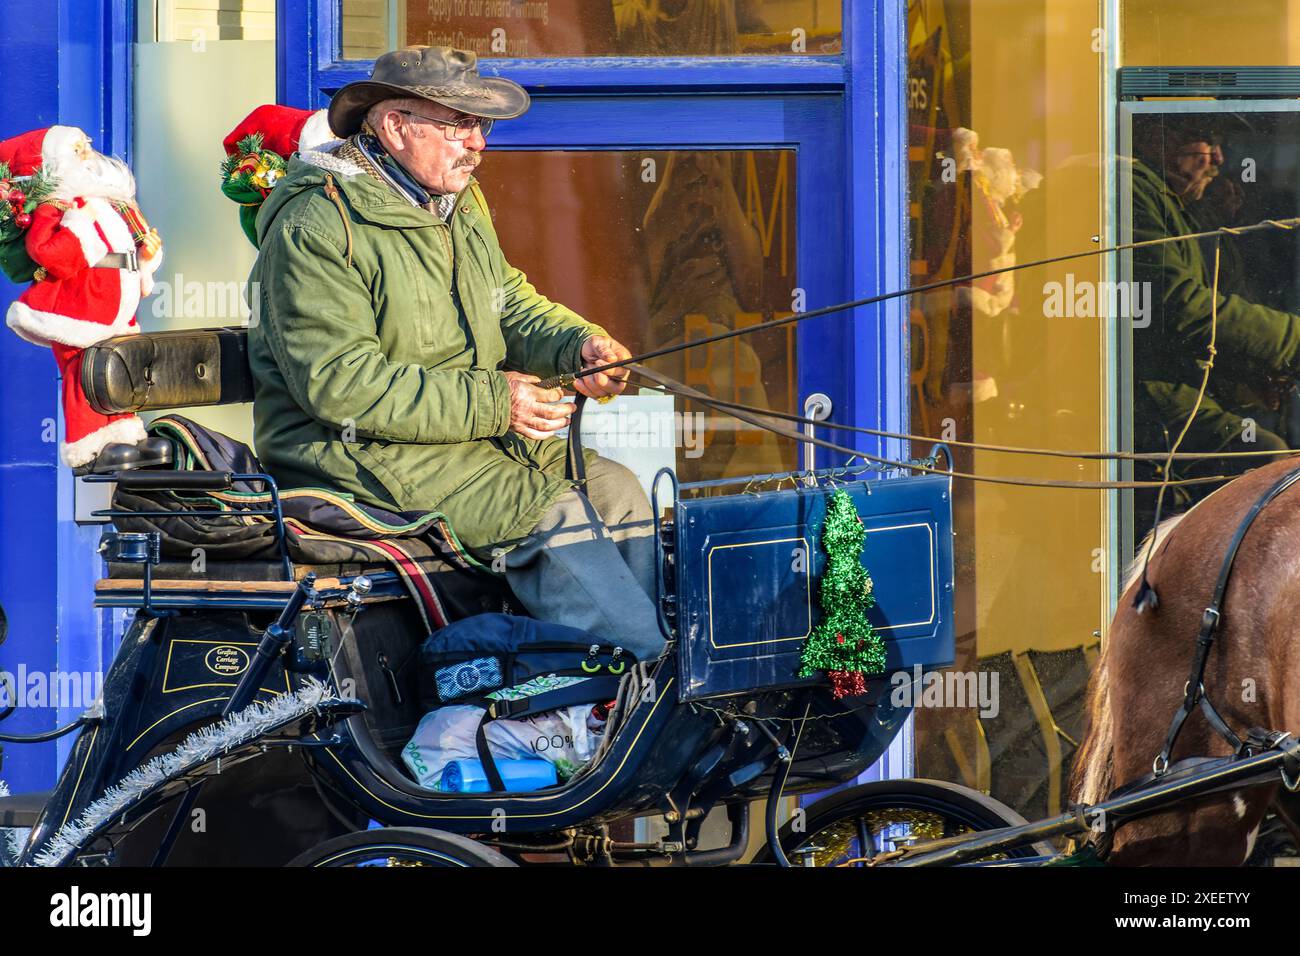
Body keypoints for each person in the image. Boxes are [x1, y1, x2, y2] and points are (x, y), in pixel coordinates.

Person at [246, 46, 665, 660]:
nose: (477, 144)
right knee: (551, 514)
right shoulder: (316, 224)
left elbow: (506, 302)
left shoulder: (454, 202)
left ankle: (611, 698)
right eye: (457, 125)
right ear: (394, 126)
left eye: (482, 126)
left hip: (457, 439)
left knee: (615, 489)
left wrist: (579, 345)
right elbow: (341, 385)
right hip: (351, 453)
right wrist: (501, 402)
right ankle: (633, 687)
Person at [1130, 118, 1300, 506]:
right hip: (1145, 391)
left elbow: (1220, 293)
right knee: (1267, 459)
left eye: (1219, 143)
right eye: (1204, 141)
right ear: (1156, 137)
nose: (1219, 158)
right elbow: (1180, 306)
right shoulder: (1132, 190)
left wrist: (1251, 369)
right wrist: (1292, 341)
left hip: (1180, 383)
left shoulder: (1179, 203)